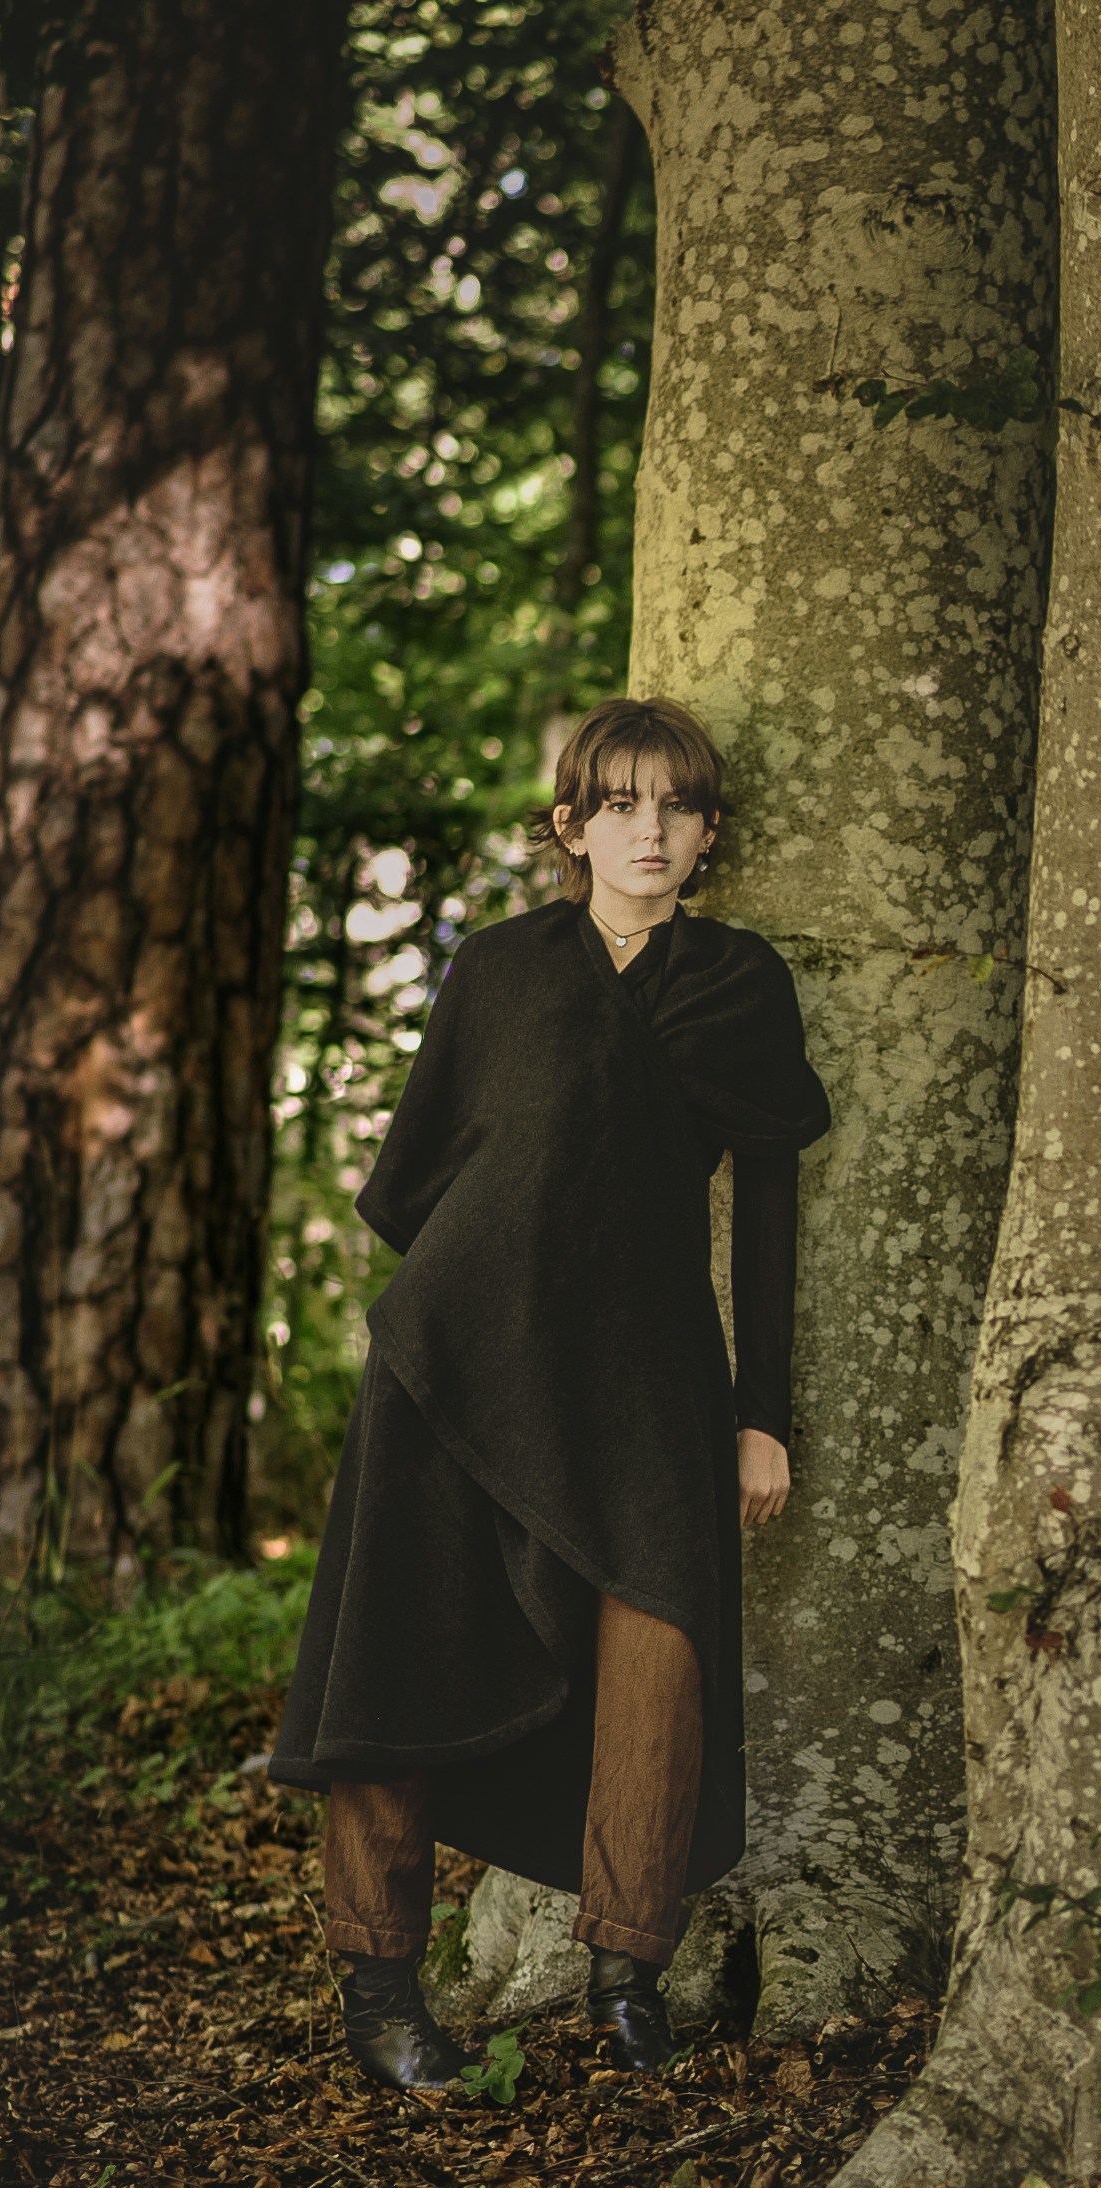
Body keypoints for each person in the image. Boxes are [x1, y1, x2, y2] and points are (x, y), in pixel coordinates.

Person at [266, 695, 832, 2087]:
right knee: (394, 1653)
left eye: (678, 808)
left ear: (709, 833)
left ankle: (628, 1973)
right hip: (458, 1361)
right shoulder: (500, 970)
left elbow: (769, 1207)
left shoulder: (740, 983)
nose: (651, 832)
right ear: (572, 828)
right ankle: (380, 1987)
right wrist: (495, 1296)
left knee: (663, 1650)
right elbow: (418, 1184)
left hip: (651, 1375)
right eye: (621, 805)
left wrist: (762, 1411)